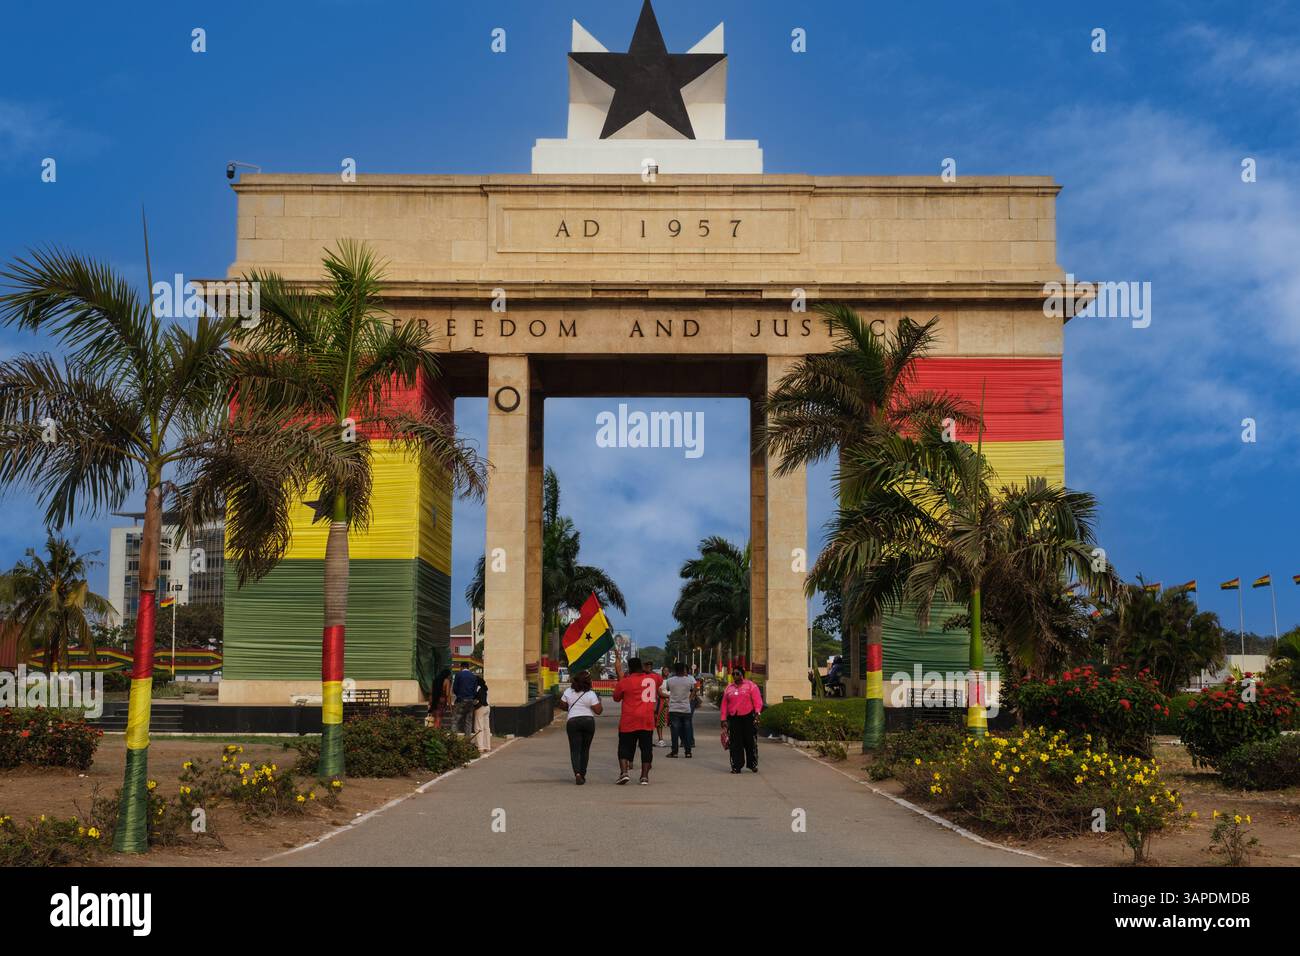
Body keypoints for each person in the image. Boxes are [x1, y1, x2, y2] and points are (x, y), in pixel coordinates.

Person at [611, 654, 664, 785]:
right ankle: (644, 776)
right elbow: (660, 680)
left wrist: (619, 668)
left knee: (624, 747)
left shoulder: (625, 681)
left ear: (629, 668)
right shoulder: (653, 678)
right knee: (646, 749)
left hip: (629, 720)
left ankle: (624, 773)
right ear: (642, 667)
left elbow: (616, 698)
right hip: (647, 720)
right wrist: (646, 671)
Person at [558, 670, 602, 784]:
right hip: (588, 721)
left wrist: (569, 708)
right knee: (585, 750)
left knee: (575, 750)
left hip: (573, 721)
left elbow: (562, 705)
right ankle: (583, 773)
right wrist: (599, 702)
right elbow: (598, 711)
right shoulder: (591, 694)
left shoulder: (568, 691)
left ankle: (577, 773)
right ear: (588, 682)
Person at [719, 666, 763, 774]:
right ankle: (736, 766)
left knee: (750, 742)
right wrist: (723, 719)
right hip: (734, 719)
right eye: (733, 674)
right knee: (735, 743)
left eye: (737, 673)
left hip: (748, 717)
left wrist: (757, 714)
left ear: (742, 674)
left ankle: (752, 764)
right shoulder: (729, 688)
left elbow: (758, 701)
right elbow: (724, 705)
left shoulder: (751, 686)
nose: (735, 676)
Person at [664, 660, 698, 757]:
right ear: (683, 670)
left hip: (674, 708)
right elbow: (695, 688)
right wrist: (690, 697)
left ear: (675, 670)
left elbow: (667, 689)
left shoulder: (670, 680)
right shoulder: (689, 680)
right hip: (686, 708)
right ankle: (688, 752)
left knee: (674, 731)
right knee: (687, 730)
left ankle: (674, 752)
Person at [451, 661, 478, 735]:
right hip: (470, 700)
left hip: (461, 700)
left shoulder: (459, 675)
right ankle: (467, 741)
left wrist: (459, 695)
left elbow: (455, 688)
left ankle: (453, 739)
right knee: (468, 721)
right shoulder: (473, 676)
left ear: (462, 667)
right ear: (468, 667)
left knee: (455, 720)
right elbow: (475, 690)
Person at [654, 664, 671, 747]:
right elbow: (659, 692)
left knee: (671, 721)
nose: (666, 672)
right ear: (662, 671)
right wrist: (669, 696)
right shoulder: (659, 680)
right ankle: (660, 739)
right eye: (664, 670)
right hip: (661, 702)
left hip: (670, 702)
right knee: (659, 721)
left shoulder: (671, 681)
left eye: (667, 671)